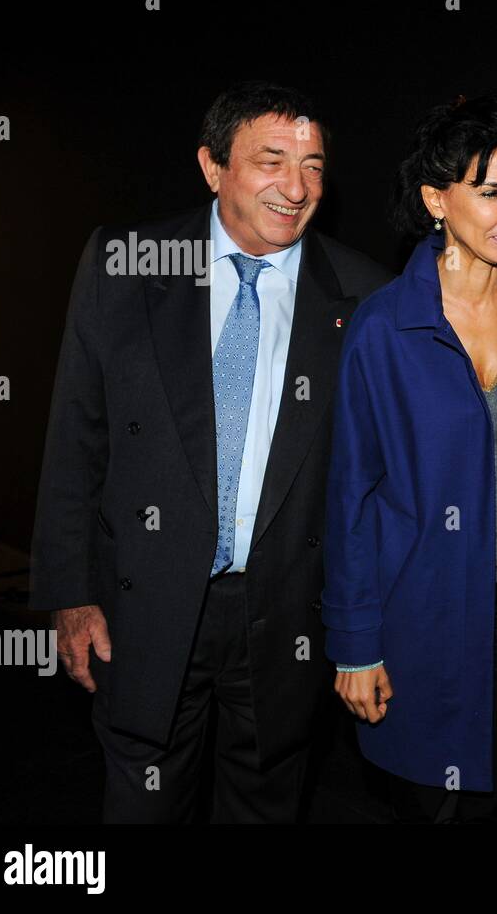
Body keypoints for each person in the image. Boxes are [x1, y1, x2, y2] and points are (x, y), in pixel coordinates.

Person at [29, 81, 389, 822]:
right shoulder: (123, 265)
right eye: (272, 159)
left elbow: (371, 483)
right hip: (144, 605)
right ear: (211, 166)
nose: (297, 187)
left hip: (287, 615)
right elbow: (76, 438)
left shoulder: (363, 296)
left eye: (314, 164)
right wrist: (70, 593)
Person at [323, 95, 497, 822]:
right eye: (491, 192)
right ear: (435, 198)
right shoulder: (384, 326)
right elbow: (351, 497)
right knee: (437, 802)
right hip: (421, 621)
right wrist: (354, 643)